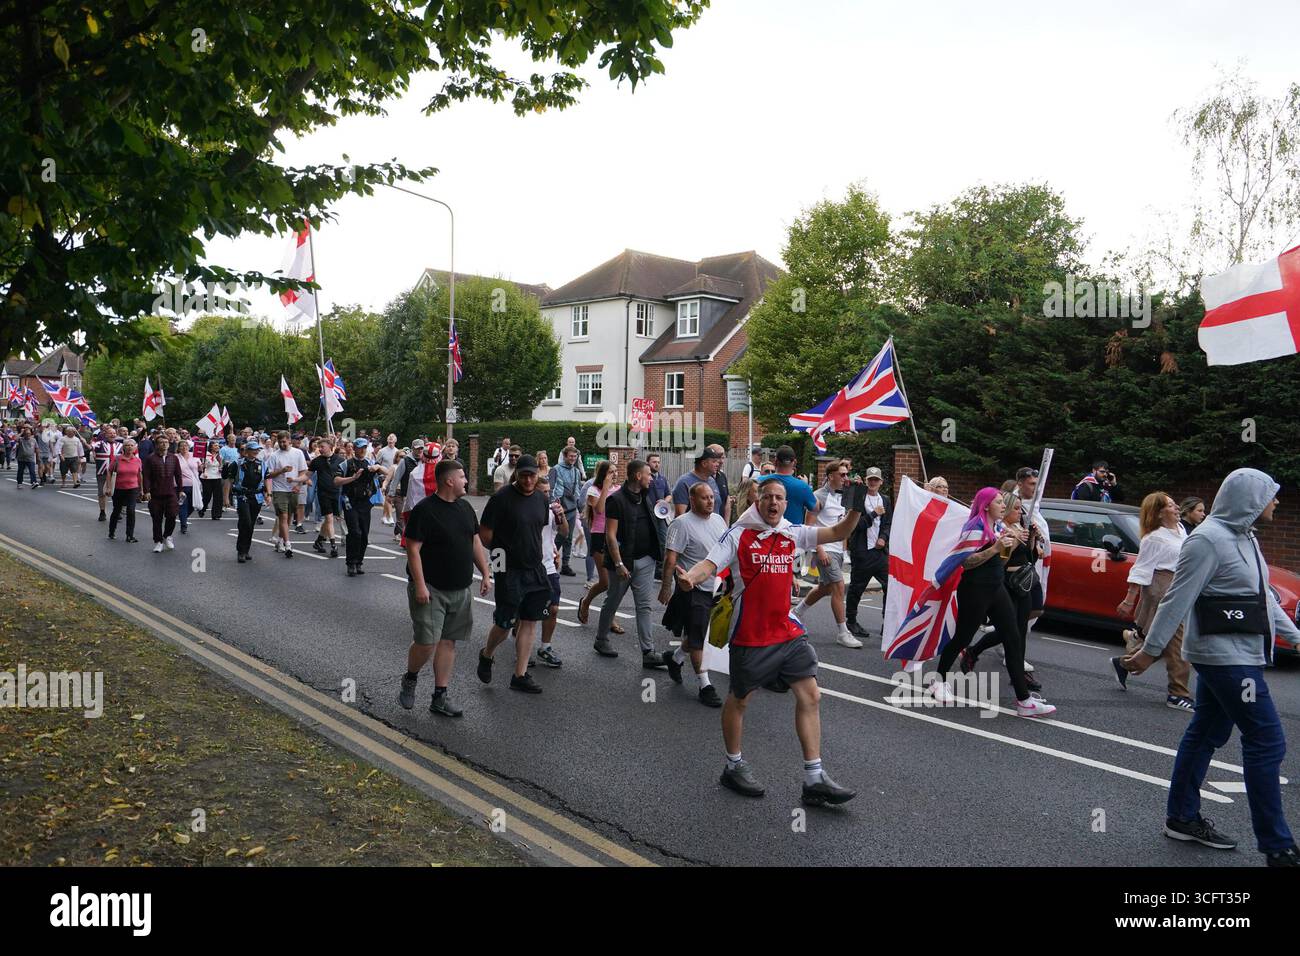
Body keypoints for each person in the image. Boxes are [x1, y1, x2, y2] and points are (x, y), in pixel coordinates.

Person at [1122, 468, 1300, 867]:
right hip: (1226, 660)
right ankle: (1278, 847)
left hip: (1240, 653)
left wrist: (1297, 636)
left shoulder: (1244, 538)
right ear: (1250, 500)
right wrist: (1150, 652)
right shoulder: (1207, 540)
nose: (1276, 502)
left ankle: (1182, 818)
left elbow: (1264, 599)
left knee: (1206, 732)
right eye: (1271, 495)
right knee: (1267, 740)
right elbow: (1176, 599)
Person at [675, 479, 863, 804]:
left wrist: (857, 504)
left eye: (779, 498)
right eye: (768, 497)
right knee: (740, 699)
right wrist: (690, 578)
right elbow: (709, 564)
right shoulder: (739, 534)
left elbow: (839, 532)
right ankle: (733, 766)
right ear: (757, 501)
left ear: (785, 503)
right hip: (751, 634)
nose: (774, 503)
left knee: (811, 695)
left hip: (787, 632)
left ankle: (814, 778)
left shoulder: (792, 532)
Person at [930, 488, 1056, 717]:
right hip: (975, 589)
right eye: (999, 502)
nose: (1003, 506)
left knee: (1013, 637)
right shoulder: (974, 527)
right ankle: (938, 681)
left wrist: (1018, 541)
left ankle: (1024, 700)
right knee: (962, 638)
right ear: (987, 505)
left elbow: (1005, 559)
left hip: (997, 587)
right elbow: (967, 562)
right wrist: (996, 547)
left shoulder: (999, 527)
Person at [399, 458, 492, 718]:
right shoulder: (425, 510)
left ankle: (440, 697)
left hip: (461, 588)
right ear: (449, 480)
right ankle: (410, 677)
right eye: (462, 477)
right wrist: (420, 585)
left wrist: (485, 573)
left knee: (449, 642)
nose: (465, 481)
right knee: (426, 642)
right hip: (431, 588)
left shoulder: (465, 508)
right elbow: (413, 549)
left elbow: (474, 541)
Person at [477, 454, 552, 694]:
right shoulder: (502, 498)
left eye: (533, 475)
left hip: (534, 568)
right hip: (507, 568)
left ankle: (519, 675)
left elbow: (537, 530)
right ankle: (487, 654)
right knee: (505, 622)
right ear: (516, 475)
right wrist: (499, 563)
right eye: (524, 475)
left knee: (530, 620)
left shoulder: (541, 499)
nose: (529, 480)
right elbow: (485, 533)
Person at [1110, 492, 1192, 710]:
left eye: (1175, 504)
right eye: (1170, 505)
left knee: (1163, 640)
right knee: (1178, 642)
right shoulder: (1154, 537)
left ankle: (1124, 664)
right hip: (1161, 587)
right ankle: (1177, 693)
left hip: (1180, 586)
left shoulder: (1181, 530)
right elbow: (1141, 568)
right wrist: (1129, 599)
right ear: (1158, 513)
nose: (1176, 508)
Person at [960, 491, 1046, 696]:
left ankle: (978, 653)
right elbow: (1002, 560)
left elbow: (1030, 557)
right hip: (1007, 583)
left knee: (1019, 630)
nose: (1020, 512)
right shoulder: (1000, 531)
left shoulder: (1019, 527)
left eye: (1020, 509)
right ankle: (973, 652)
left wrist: (1032, 539)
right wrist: (1013, 540)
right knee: (1011, 632)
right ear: (1004, 510)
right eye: (1016, 508)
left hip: (1024, 583)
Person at [593, 459, 668, 669]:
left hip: (646, 560)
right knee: (613, 600)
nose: (651, 478)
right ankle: (601, 639)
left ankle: (648, 652)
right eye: (648, 475)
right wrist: (618, 563)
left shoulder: (646, 497)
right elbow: (610, 535)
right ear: (638, 476)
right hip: (623, 563)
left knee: (644, 606)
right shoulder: (615, 500)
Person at [658, 481, 727, 706]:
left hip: (717, 589)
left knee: (704, 634)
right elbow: (671, 559)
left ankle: (675, 658)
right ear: (692, 500)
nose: (710, 501)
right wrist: (666, 587)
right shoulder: (681, 524)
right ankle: (704, 685)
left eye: (711, 497)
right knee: (698, 638)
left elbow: (728, 550)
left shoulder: (718, 520)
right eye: (705, 497)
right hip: (692, 589)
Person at [795, 460, 861, 648]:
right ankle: (843, 632)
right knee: (839, 586)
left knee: (826, 587)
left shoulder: (844, 495)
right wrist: (819, 550)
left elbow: (844, 522)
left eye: (847, 474)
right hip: (825, 549)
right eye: (842, 474)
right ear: (831, 476)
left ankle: (797, 612)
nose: (845, 478)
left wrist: (845, 549)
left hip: (839, 549)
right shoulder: (818, 496)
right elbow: (809, 526)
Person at [845, 466, 891, 640]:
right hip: (862, 552)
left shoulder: (885, 500)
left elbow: (888, 523)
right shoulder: (859, 498)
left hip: (879, 552)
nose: (873, 482)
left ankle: (887, 622)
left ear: (881, 482)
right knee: (857, 588)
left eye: (876, 480)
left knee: (890, 586)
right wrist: (873, 514)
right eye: (870, 479)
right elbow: (854, 526)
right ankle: (851, 621)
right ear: (865, 480)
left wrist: (884, 538)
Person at [577, 460, 621, 635]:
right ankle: (586, 602)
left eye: (616, 471)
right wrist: (605, 487)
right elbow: (601, 510)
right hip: (599, 536)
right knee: (605, 582)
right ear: (603, 474)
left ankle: (610, 617)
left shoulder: (619, 490)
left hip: (616, 537)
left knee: (616, 583)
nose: (615, 474)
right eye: (611, 472)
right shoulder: (593, 490)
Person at [532, 474, 567, 668]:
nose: (547, 496)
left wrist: (561, 515)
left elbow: (564, 532)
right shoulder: (524, 508)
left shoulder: (551, 510)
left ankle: (545, 647)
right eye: (542, 492)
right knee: (525, 613)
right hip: (528, 566)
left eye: (548, 492)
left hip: (548, 566)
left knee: (553, 608)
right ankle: (520, 648)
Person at [335, 438, 384, 576]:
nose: (362, 450)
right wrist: (353, 478)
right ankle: (351, 563)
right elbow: (336, 481)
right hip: (349, 501)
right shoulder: (346, 464)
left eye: (364, 447)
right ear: (354, 448)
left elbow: (387, 471)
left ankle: (359, 562)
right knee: (355, 532)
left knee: (364, 535)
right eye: (360, 447)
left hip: (365, 502)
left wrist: (378, 467)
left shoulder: (370, 463)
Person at [263, 431, 309, 558]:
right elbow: (268, 474)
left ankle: (280, 540)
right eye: (280, 442)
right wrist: (281, 470)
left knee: (288, 517)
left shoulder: (298, 453)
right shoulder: (274, 456)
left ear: (289, 440)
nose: (283, 444)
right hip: (279, 490)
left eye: (285, 441)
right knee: (283, 516)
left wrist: (298, 485)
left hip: (293, 489)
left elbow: (303, 471)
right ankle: (288, 544)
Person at [140, 435, 183, 553]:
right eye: (161, 442)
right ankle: (158, 542)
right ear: (157, 445)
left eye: (166, 442)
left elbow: (178, 475)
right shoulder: (150, 458)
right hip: (155, 493)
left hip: (170, 493)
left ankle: (167, 536)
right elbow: (146, 476)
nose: (164, 444)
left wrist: (180, 490)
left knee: (172, 515)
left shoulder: (174, 458)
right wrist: (147, 491)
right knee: (157, 518)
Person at [226, 440, 266, 563]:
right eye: (253, 449)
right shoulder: (237, 464)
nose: (256, 452)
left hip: (256, 496)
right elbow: (229, 481)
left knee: (251, 524)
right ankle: (241, 551)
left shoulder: (262, 464)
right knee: (246, 522)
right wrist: (225, 497)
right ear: (247, 451)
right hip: (242, 496)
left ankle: (246, 549)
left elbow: (267, 478)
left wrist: (268, 494)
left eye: (257, 449)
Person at [549, 445, 584, 577]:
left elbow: (578, 491)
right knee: (558, 536)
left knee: (568, 538)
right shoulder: (556, 469)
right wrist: (553, 505)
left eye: (575, 456)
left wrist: (580, 508)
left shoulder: (576, 471)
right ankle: (551, 557)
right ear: (565, 456)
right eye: (571, 456)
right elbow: (551, 489)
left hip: (571, 508)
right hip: (559, 508)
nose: (573, 459)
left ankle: (565, 564)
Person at [308, 436, 341, 557]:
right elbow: (307, 475)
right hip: (323, 493)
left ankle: (319, 541)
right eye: (319, 447)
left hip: (336, 492)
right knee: (329, 518)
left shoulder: (340, 460)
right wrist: (296, 480)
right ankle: (333, 545)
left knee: (329, 520)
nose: (320, 449)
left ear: (330, 447)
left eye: (322, 447)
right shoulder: (317, 461)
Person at [106, 439, 142, 542]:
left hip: (133, 489)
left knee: (131, 511)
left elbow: (140, 475)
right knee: (117, 511)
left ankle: (130, 535)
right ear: (123, 447)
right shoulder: (117, 459)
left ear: (135, 448)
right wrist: (109, 487)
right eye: (127, 445)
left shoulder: (138, 460)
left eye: (132, 445)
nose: (129, 447)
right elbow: (109, 472)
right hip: (118, 489)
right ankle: (111, 531)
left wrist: (142, 490)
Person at [672, 447, 722, 517]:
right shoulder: (684, 482)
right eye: (714, 461)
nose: (717, 464)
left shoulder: (712, 481)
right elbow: (680, 516)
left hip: (713, 527)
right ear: (704, 463)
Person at [646, 452, 671, 578]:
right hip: (647, 515)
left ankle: (659, 570)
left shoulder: (662, 479)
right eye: (654, 462)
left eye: (658, 462)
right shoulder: (645, 478)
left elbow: (669, 494)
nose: (657, 464)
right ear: (648, 463)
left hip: (661, 516)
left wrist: (664, 501)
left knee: (663, 541)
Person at [91, 426, 120, 521]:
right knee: (102, 493)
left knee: (117, 493)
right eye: (110, 433)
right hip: (102, 471)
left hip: (117, 473)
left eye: (114, 433)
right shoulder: (99, 444)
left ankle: (117, 511)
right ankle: (102, 512)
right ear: (105, 435)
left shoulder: (120, 445)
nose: (112, 435)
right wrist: (85, 443)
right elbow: (91, 447)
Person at [175, 439, 202, 534]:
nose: (184, 447)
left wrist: (203, 468)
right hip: (180, 486)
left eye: (185, 445)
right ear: (178, 448)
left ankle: (183, 517)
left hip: (194, 485)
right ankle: (183, 525)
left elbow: (200, 468)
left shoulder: (195, 456)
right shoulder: (175, 457)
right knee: (183, 505)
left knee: (191, 506)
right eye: (181, 446)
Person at [199, 439, 224, 520]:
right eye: (215, 445)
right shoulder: (205, 455)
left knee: (218, 497)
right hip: (207, 477)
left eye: (218, 445)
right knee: (207, 496)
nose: (217, 447)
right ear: (211, 447)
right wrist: (202, 467)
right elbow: (201, 465)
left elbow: (221, 466)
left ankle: (216, 514)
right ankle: (202, 508)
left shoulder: (220, 456)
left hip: (217, 477)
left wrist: (222, 468)